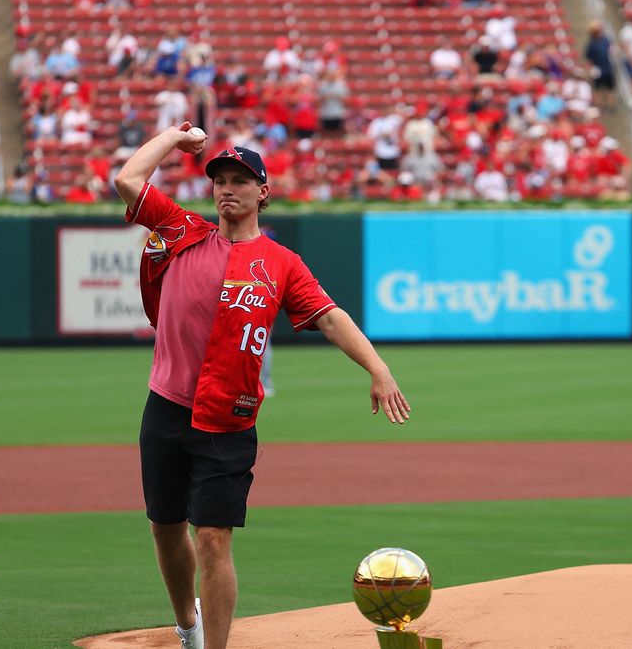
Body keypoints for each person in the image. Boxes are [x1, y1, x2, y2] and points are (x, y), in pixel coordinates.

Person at [113, 123, 411, 649]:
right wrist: (173, 137)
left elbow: (330, 317)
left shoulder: (281, 263)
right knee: (165, 526)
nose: (228, 188)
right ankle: (187, 624)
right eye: (220, 179)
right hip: (165, 407)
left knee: (212, 537)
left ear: (263, 192)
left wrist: (378, 369)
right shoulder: (182, 230)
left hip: (228, 421)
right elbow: (128, 177)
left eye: (241, 180)